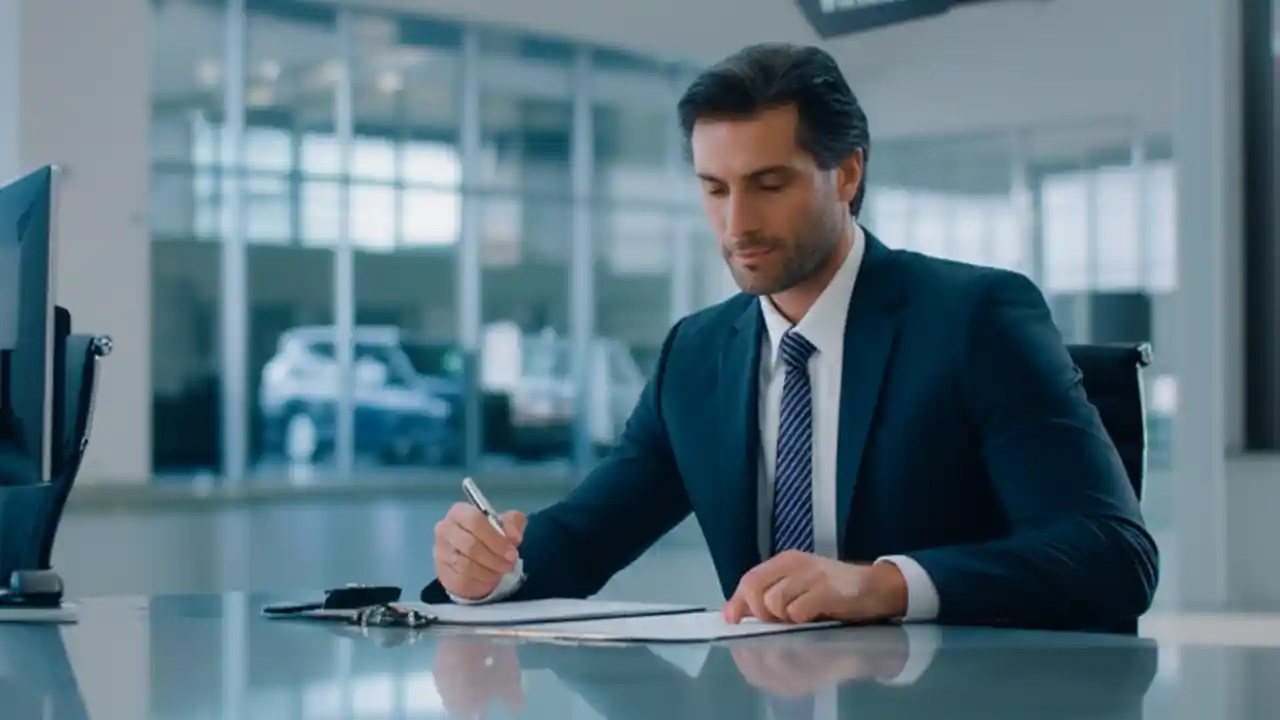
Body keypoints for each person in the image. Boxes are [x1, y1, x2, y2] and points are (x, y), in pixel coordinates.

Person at [423, 43, 1159, 632]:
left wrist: (884, 585)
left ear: (846, 173)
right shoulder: (697, 356)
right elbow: (585, 538)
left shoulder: (976, 319)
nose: (736, 223)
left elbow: (1113, 556)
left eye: (768, 184)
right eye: (714, 188)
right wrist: (492, 571)